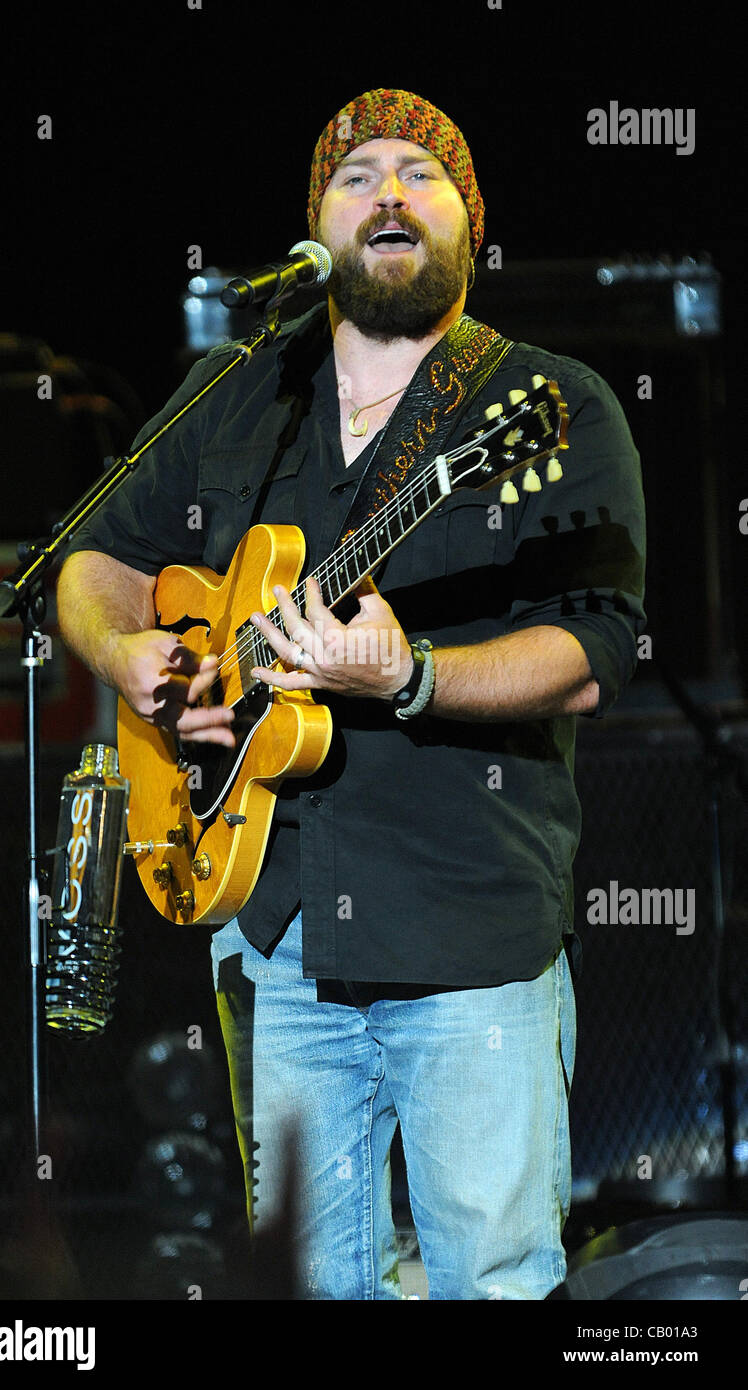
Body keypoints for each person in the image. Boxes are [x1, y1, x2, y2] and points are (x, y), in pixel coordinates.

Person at [57, 88, 647, 1300]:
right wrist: (133, 661)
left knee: (490, 1281)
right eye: (357, 173)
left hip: (470, 939)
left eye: (421, 174)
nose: (389, 191)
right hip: (275, 941)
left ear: (470, 226)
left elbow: (593, 651)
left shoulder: (548, 406)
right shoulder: (240, 393)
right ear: (318, 226)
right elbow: (89, 562)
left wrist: (410, 674)